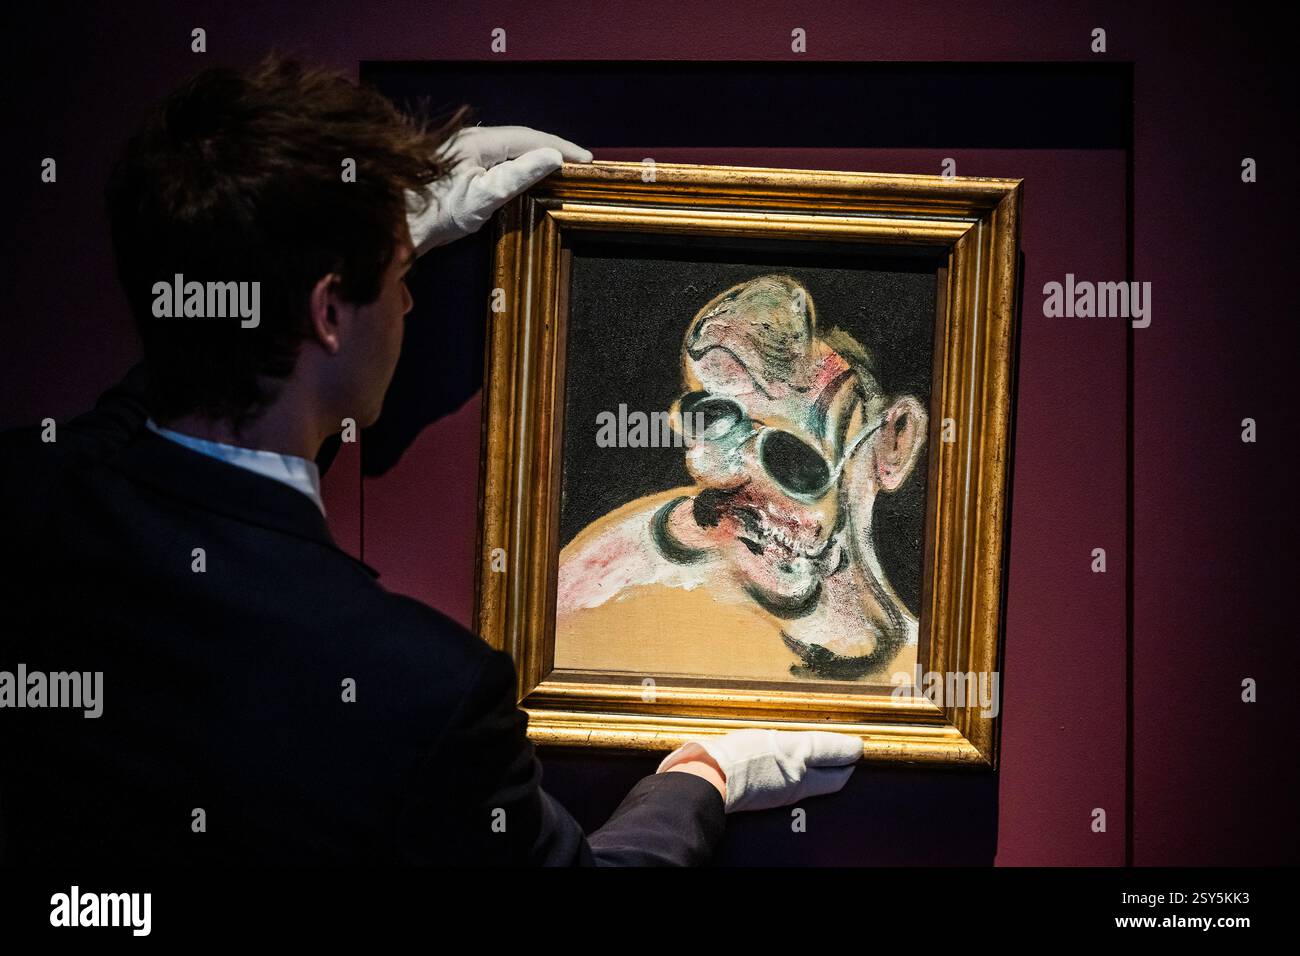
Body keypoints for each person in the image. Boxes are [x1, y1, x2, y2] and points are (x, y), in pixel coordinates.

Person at [0, 54, 861, 865]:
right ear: (330, 312)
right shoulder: (413, 691)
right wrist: (703, 778)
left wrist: (351, 235)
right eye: (401, 274)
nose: (410, 298)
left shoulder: (28, 500)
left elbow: (122, 420)